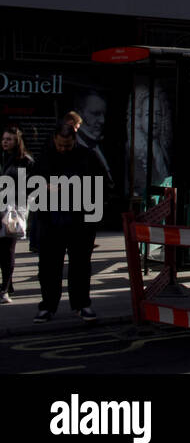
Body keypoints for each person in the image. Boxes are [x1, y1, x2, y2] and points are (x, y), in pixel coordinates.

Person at [31, 113, 109, 324]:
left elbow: (103, 184)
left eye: (67, 145)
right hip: (51, 220)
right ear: (54, 140)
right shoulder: (45, 157)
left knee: (80, 265)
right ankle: (47, 306)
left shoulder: (88, 156)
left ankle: (82, 305)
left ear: (74, 139)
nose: (63, 149)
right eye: (60, 145)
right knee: (49, 267)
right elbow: (30, 186)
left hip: (80, 220)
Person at [1, 125, 34, 304]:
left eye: (9, 139)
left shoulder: (25, 161)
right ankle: (8, 284)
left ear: (17, 141)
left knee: (7, 249)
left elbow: (28, 188)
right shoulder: (2, 158)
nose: (5, 142)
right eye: (4, 139)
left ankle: (4, 289)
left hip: (12, 209)